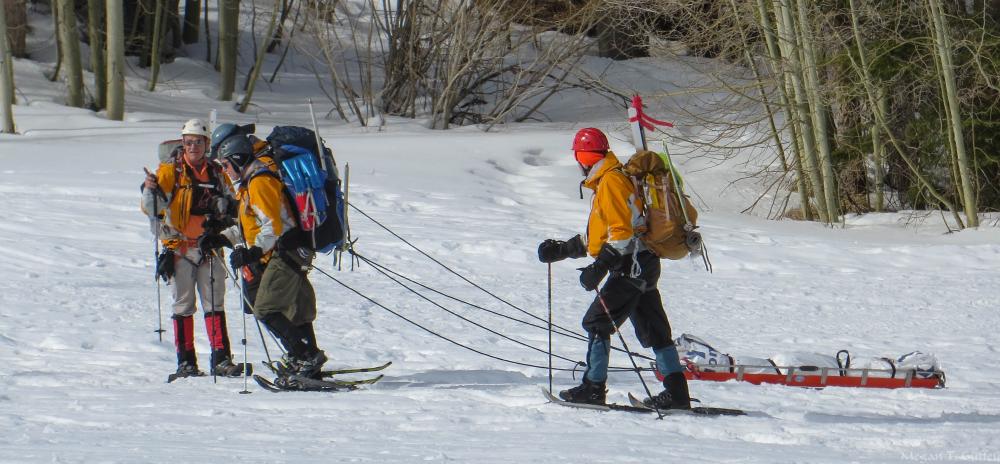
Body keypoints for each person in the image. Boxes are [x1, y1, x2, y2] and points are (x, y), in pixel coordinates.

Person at [536, 127, 692, 410]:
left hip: (631, 266)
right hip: (642, 263)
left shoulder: (611, 181)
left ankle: (593, 388)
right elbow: (601, 236)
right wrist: (562, 250)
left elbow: (621, 232)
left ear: (582, 157)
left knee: (597, 323)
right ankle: (677, 393)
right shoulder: (609, 179)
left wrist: (600, 267)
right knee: (655, 330)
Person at [204, 129, 328, 378]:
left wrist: (252, 253)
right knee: (297, 312)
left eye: (226, 165)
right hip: (288, 250)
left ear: (238, 159)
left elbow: (273, 227)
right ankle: (306, 358)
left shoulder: (259, 183)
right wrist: (222, 238)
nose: (225, 171)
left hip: (286, 252)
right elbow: (250, 226)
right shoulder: (249, 184)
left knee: (266, 309)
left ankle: (305, 357)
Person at [141, 118, 243, 379]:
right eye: (188, 142)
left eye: (197, 142)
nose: (192, 147)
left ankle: (221, 359)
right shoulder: (169, 171)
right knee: (183, 305)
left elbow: (233, 205)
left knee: (214, 303)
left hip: (210, 247)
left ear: (207, 144)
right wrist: (149, 190)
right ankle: (185, 362)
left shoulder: (217, 173)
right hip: (180, 248)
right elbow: (151, 208)